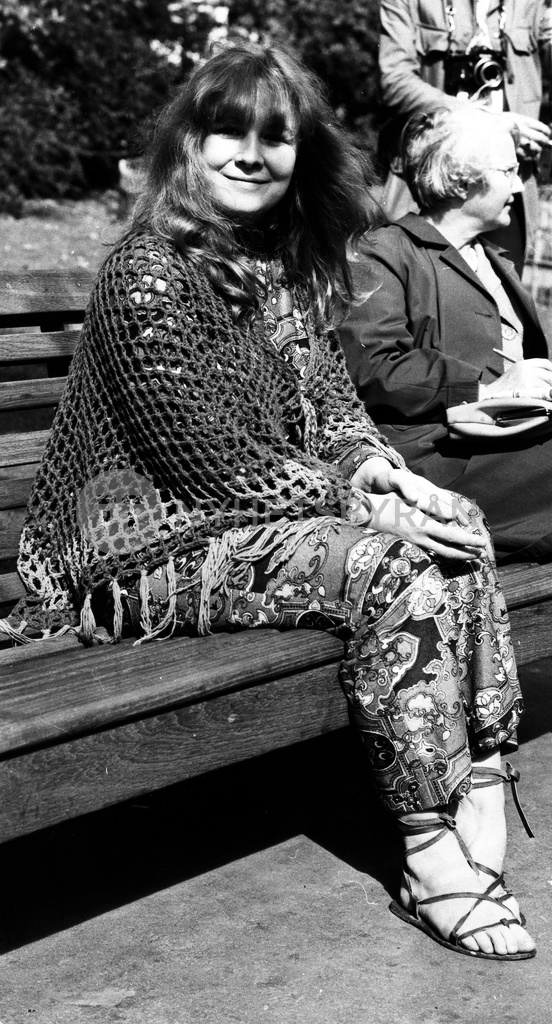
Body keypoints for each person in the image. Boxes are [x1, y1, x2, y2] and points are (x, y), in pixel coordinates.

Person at [4, 43, 535, 960]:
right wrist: (363, 510)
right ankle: (429, 854)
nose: (251, 155)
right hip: (150, 546)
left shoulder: (285, 266)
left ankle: (481, 783)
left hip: (262, 524)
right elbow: (209, 457)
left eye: (275, 137)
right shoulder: (148, 272)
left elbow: (333, 409)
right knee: (389, 567)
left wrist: (385, 474)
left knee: (455, 527)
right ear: (190, 144)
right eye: (229, 132)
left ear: (302, 151)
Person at [339, 105, 552, 565]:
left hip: (515, 444)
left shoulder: (494, 259)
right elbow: (373, 365)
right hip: (440, 461)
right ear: (460, 180)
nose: (519, 187)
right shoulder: (384, 250)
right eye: (508, 172)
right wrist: (485, 388)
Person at [377, 0, 552, 271]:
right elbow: (395, 82)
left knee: (502, 288)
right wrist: (494, 122)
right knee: (416, 278)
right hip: (429, 177)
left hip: (508, 185)